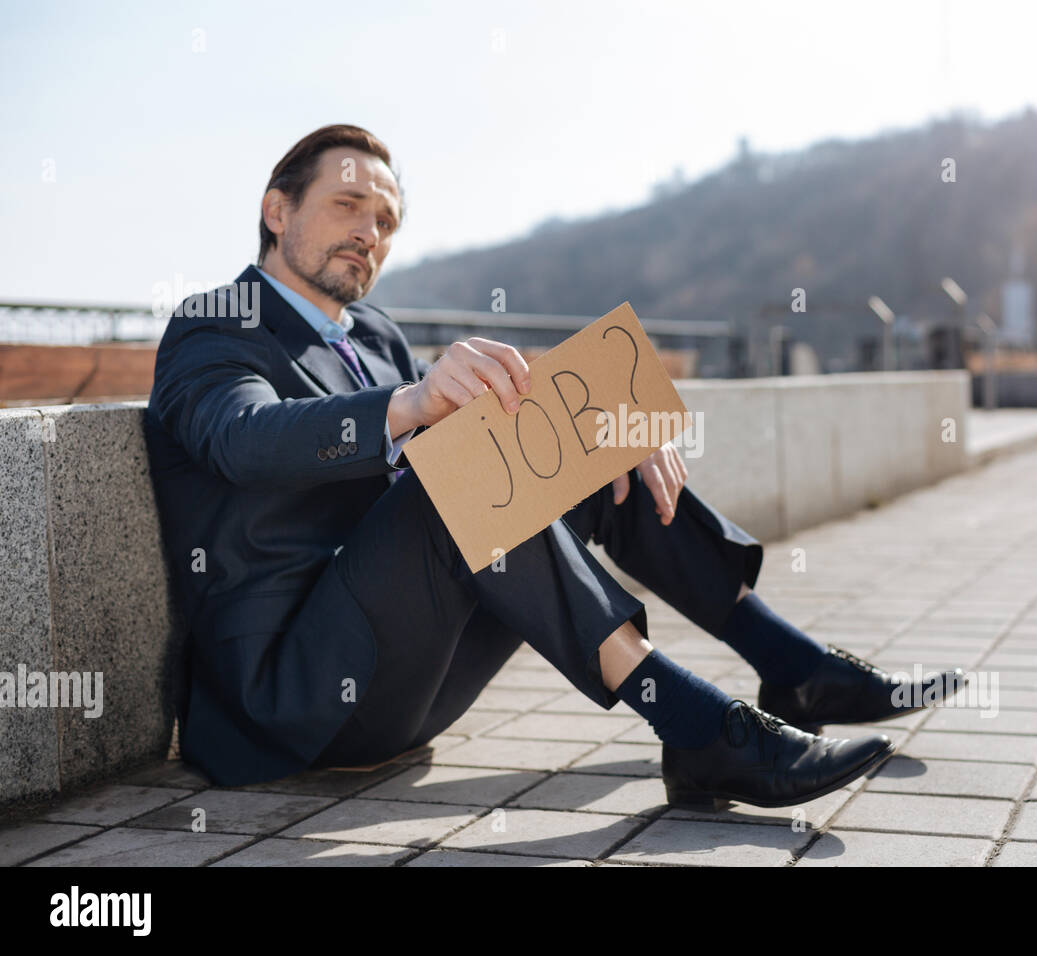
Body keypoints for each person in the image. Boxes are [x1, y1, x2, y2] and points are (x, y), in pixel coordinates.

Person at [144, 124, 964, 812]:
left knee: (583, 453)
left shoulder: (378, 337)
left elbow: (496, 434)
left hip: (413, 688)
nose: (370, 233)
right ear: (277, 210)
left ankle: (797, 670)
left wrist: (606, 432)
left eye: (387, 221)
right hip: (293, 704)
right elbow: (241, 438)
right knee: (460, 482)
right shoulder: (219, 324)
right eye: (348, 205)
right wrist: (409, 405)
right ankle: (700, 729)